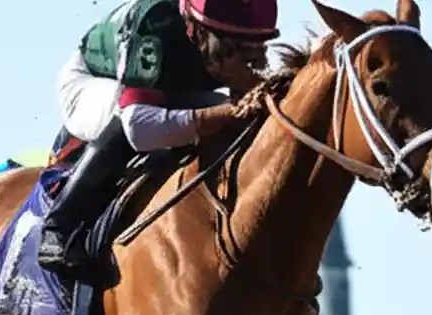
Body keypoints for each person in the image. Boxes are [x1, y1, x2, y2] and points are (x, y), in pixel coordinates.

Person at [37, 0, 279, 279]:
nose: (241, 61)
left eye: (253, 50)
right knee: (129, 118)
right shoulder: (156, 28)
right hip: (94, 83)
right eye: (230, 49)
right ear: (197, 31)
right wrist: (227, 112)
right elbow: (138, 129)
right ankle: (59, 229)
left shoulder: (230, 28)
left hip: (173, 87)